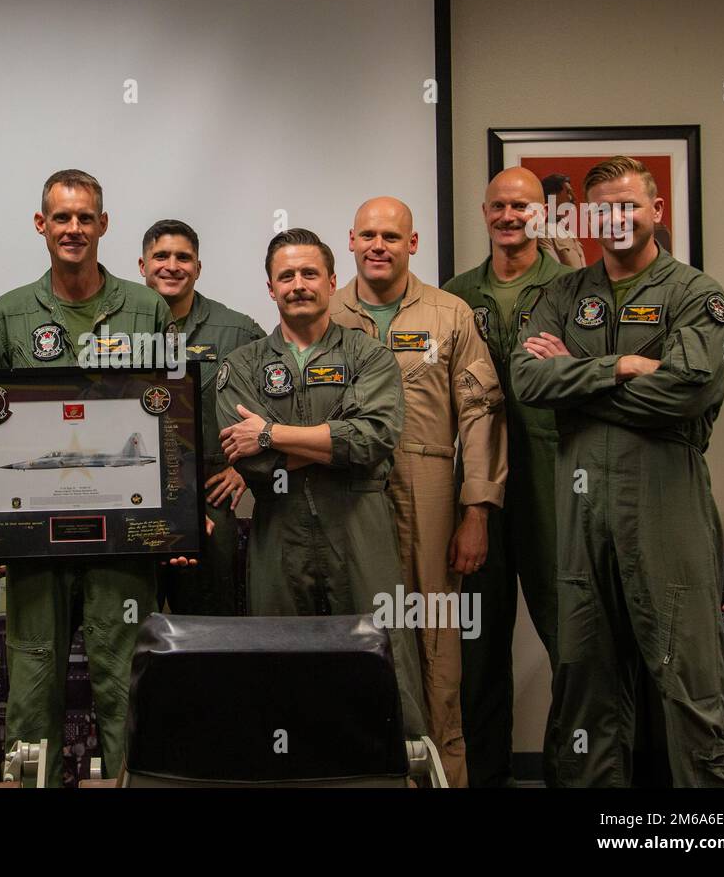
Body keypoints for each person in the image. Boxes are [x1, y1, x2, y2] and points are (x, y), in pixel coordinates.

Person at [511, 156, 724, 787]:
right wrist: (623, 367)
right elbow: (529, 378)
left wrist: (579, 377)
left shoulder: (697, 295)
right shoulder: (561, 293)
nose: (616, 219)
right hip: (582, 515)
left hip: (665, 508)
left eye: (628, 205)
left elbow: (687, 391)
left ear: (656, 211)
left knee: (691, 683)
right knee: (584, 683)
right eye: (603, 209)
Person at [0, 169, 173, 786]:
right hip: (33, 535)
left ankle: (128, 778)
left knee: (122, 670)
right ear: (41, 224)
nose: (72, 228)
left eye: (84, 217)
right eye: (60, 218)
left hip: (123, 531)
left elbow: (174, 417)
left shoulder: (146, 309)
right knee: (33, 672)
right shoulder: (9, 314)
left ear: (103, 224)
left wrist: (175, 515)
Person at [216, 228, 426, 736]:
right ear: (270, 288)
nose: (298, 284)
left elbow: (373, 440)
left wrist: (269, 433)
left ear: (333, 281)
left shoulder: (368, 356)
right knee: (280, 662)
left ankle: (395, 774)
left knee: (384, 658)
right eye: (285, 275)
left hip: (359, 524)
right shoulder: (242, 366)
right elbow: (250, 463)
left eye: (310, 273)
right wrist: (328, 443)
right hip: (279, 531)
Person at [329, 197, 507, 788]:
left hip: (427, 482)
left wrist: (476, 511)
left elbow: (480, 414)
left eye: (392, 236)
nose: (379, 246)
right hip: (345, 489)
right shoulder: (321, 311)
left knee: (435, 637)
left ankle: (443, 775)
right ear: (351, 241)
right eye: (369, 235)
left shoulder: (449, 313)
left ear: (413, 244)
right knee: (359, 631)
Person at [443, 168, 572, 786]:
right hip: (477, 494)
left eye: (521, 205)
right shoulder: (456, 295)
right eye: (498, 205)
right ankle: (483, 778)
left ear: (542, 213)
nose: (509, 215)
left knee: (571, 643)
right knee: (477, 649)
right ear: (484, 210)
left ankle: (571, 776)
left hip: (557, 485)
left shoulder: (575, 288)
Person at [139, 218, 264, 614]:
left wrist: (250, 468)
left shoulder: (237, 331)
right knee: (132, 627)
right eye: (161, 256)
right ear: (142, 266)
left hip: (210, 493)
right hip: (136, 494)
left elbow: (279, 399)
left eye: (183, 257)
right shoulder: (117, 327)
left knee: (208, 626)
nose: (171, 266)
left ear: (198, 267)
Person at [538, 172, 587, 267]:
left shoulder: (569, 233)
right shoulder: (542, 233)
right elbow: (554, 274)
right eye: (568, 192)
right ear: (553, 196)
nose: (573, 198)